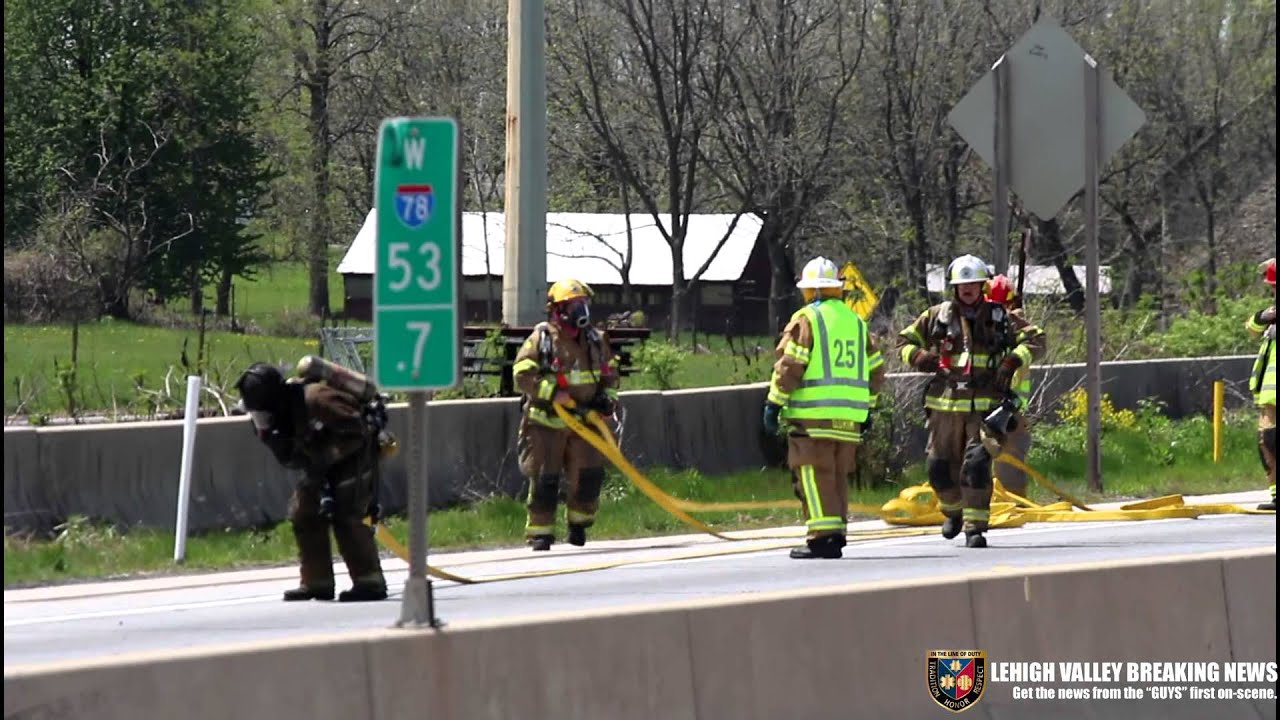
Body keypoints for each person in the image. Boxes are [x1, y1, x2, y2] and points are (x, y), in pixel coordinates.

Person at [895, 254, 1046, 548]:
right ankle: (952, 510)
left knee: (976, 466)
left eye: (973, 284)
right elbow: (903, 341)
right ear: (954, 288)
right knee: (938, 469)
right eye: (962, 284)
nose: (967, 289)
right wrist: (920, 357)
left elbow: (1037, 339)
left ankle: (975, 527)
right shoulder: (937, 316)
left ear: (981, 286)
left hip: (984, 408)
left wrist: (1012, 361)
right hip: (945, 408)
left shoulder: (1000, 317)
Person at [234, 358, 390, 602]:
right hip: (321, 461)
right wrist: (269, 435)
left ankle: (369, 581)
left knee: (347, 515)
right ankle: (317, 582)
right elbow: (288, 457)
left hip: (355, 457)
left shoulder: (318, 399)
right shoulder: (281, 414)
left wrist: (326, 456)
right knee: (304, 513)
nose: (258, 417)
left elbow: (358, 430)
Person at [763, 256, 885, 559]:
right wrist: (867, 408)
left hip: (812, 416)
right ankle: (837, 534)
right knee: (837, 476)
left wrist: (773, 404)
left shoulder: (807, 319)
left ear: (812, 291)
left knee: (813, 475)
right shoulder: (856, 323)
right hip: (850, 419)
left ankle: (821, 538)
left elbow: (791, 365)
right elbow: (876, 371)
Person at [512, 278, 621, 551]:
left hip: (586, 424)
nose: (580, 310)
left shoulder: (596, 340)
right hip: (546, 423)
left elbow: (610, 376)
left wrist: (608, 402)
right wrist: (551, 393)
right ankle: (540, 533)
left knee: (588, 476)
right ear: (557, 310)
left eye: (582, 304)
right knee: (545, 479)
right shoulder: (542, 339)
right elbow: (521, 374)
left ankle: (579, 526)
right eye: (573, 305)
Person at [984, 274, 1035, 499]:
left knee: (1009, 466)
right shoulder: (990, 326)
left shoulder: (1014, 329)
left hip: (1008, 412)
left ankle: (1014, 506)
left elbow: (1033, 342)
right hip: (998, 410)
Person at [1247, 257, 1276, 511]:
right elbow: (1252, 329)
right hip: (1269, 393)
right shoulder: (1272, 313)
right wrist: (1262, 316)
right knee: (1267, 440)